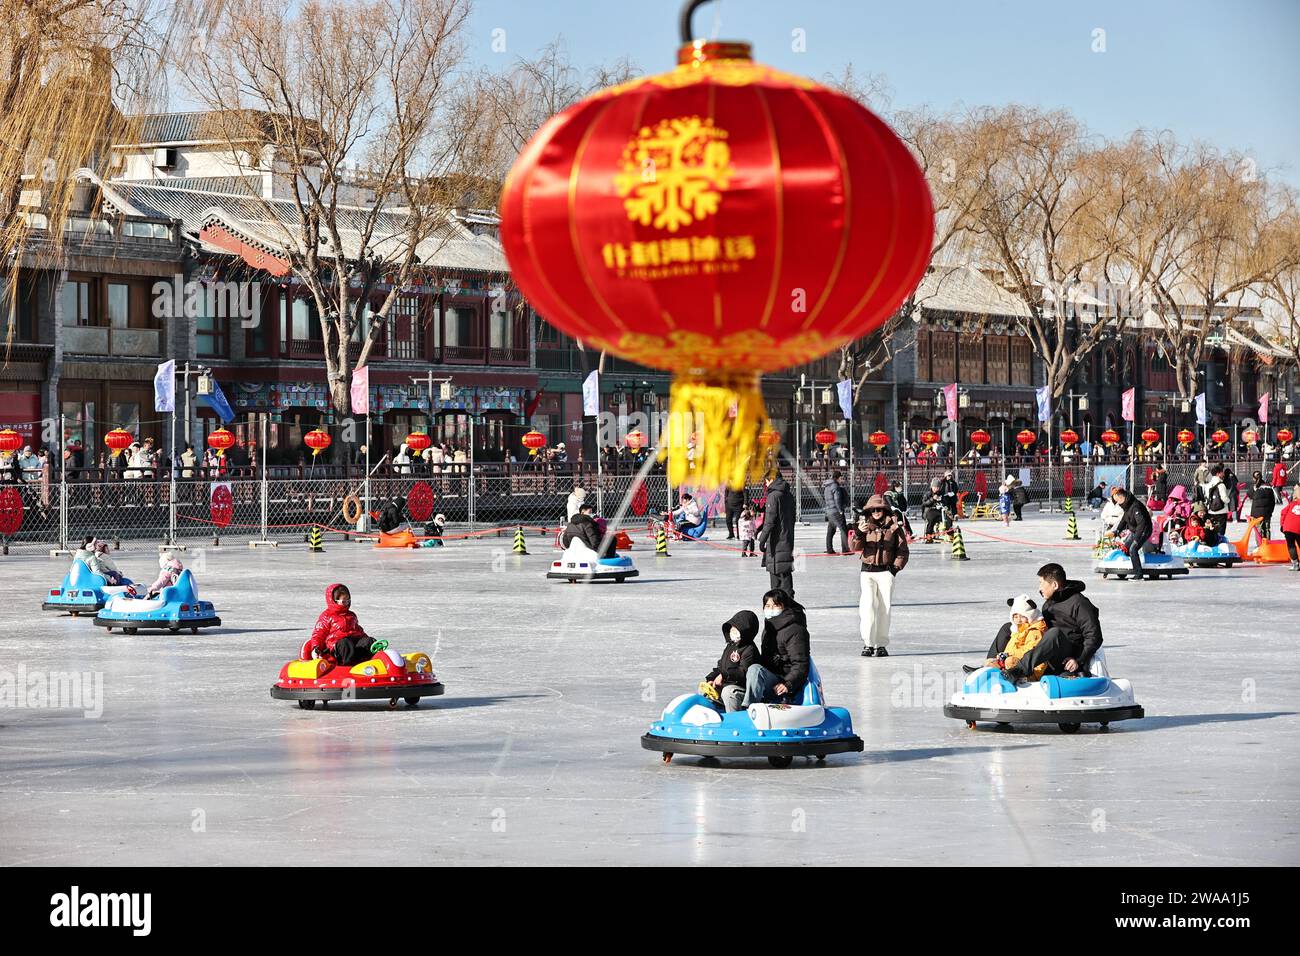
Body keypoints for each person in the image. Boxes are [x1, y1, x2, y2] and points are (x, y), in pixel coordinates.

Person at [991, 564, 1102, 681]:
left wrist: (1079, 660)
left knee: (1054, 633)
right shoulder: (1049, 604)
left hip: (1067, 656)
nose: (1039, 588)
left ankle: (1019, 671)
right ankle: (990, 665)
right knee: (1009, 627)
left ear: (1054, 585)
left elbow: (1094, 636)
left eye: (1041, 583)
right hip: (1046, 652)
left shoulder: (1079, 603)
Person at [856, 494, 909, 658]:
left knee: (884, 608)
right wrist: (859, 533)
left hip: (885, 572)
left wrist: (894, 569)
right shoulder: (864, 526)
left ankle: (880, 645)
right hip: (867, 572)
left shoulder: (894, 527)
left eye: (879, 509)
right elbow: (855, 547)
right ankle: (868, 643)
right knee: (868, 606)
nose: (876, 512)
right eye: (873, 509)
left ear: (885, 510)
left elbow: (903, 550)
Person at [300, 584, 400, 667]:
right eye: (342, 602)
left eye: (347, 601)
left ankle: (370, 665)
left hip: (354, 642)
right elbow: (318, 634)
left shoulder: (351, 615)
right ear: (334, 601)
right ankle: (346, 666)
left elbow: (359, 631)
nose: (345, 604)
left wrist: (368, 640)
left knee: (368, 641)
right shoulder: (327, 616)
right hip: (337, 646)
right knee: (346, 643)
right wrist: (315, 648)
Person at [742, 589, 810, 706]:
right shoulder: (770, 626)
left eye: (775, 605)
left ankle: (749, 707)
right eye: (767, 606)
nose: (770, 609)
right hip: (772, 676)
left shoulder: (795, 630)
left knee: (755, 670)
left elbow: (800, 663)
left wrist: (788, 684)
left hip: (784, 681)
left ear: (784, 607)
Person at [967, 594, 1049, 679]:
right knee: (991, 662)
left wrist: (1008, 655)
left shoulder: (1034, 631)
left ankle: (1014, 677)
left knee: (1010, 661)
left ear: (1030, 616)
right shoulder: (1017, 630)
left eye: (1022, 616)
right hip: (1015, 660)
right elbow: (1011, 647)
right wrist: (1002, 656)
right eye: (1015, 616)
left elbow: (1030, 652)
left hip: (1031, 670)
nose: (1018, 620)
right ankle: (984, 673)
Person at [702, 610, 760, 712]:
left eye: (737, 630)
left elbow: (743, 672)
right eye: (732, 629)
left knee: (728, 692)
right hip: (726, 684)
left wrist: (724, 675)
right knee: (704, 690)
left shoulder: (749, 649)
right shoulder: (730, 646)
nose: (733, 632)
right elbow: (721, 666)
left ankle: (734, 720)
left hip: (742, 689)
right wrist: (711, 678)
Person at [757, 470, 796, 597]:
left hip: (776, 540)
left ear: (772, 479)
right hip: (787, 537)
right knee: (785, 572)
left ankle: (780, 603)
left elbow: (769, 521)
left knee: (776, 574)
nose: (766, 484)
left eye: (766, 481)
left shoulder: (773, 496)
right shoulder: (788, 495)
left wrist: (762, 539)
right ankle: (787, 600)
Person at [1112, 487, 1153, 581]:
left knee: (1133, 549)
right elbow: (1124, 520)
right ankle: (1132, 566)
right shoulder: (1127, 507)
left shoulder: (1135, 506)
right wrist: (1117, 531)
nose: (1118, 504)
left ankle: (1139, 575)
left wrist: (1136, 540)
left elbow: (1142, 524)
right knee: (1126, 548)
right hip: (1136, 531)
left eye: (1117, 501)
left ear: (1121, 496)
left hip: (1144, 530)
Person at [822, 470, 849, 554]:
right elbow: (837, 499)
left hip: (829, 511)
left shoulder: (827, 486)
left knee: (831, 530)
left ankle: (829, 549)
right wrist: (840, 510)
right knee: (843, 529)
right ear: (838, 477)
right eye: (841, 478)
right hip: (836, 510)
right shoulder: (835, 486)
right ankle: (845, 549)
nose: (842, 480)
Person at [1202, 464, 1231, 537]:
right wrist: (1228, 500)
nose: (1223, 474)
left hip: (1211, 511)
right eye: (1222, 472)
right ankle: (1220, 544)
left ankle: (1213, 544)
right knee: (1221, 531)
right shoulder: (1221, 485)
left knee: (1212, 529)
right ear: (1218, 474)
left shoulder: (1208, 485)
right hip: (1221, 511)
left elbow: (1206, 497)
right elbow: (1224, 498)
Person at [1249, 471, 1276, 540]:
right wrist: (1270, 511)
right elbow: (1273, 501)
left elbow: (1250, 495)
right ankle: (1268, 545)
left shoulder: (1254, 488)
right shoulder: (1268, 487)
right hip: (1267, 513)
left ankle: (1260, 545)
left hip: (1256, 514)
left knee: (1259, 530)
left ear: (1254, 479)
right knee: (1267, 529)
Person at [1280, 484, 1300, 571]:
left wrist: (1282, 525)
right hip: (1298, 528)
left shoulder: (1292, 504)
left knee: (1291, 546)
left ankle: (1295, 564)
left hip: (1288, 527)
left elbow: (1283, 512)